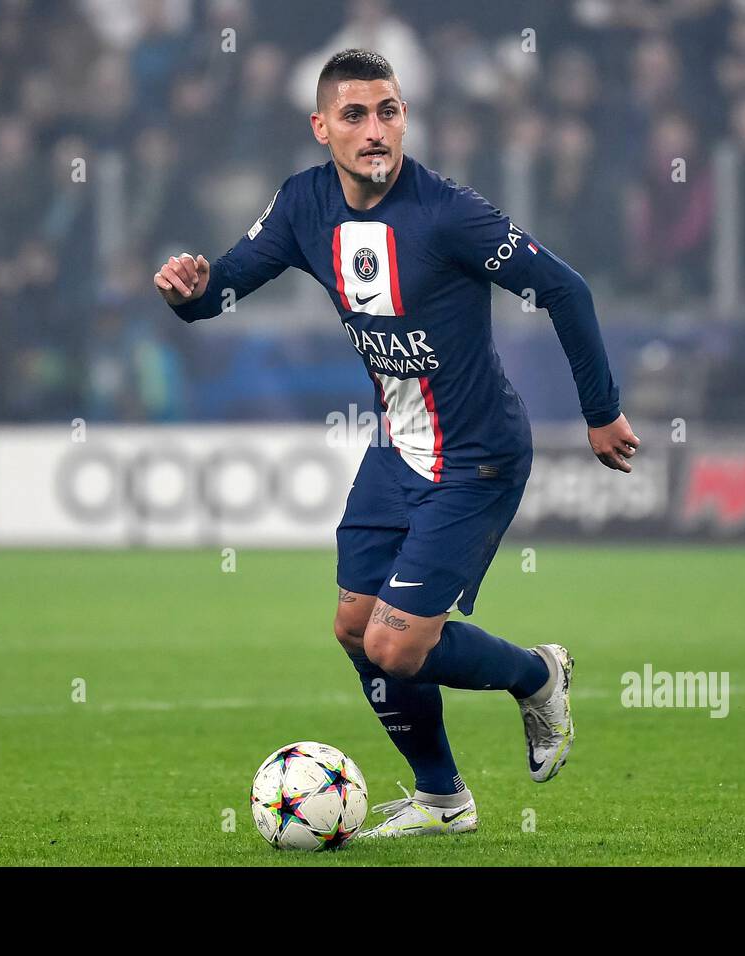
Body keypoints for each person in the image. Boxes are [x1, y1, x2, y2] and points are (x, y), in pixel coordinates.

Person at [155, 49, 638, 839]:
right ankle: (443, 799)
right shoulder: (303, 204)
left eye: (388, 111)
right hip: (397, 449)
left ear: (405, 116)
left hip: (478, 456)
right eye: (354, 115)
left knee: (394, 644)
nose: (374, 130)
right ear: (321, 128)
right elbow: (226, 286)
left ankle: (537, 675)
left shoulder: (449, 213)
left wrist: (602, 411)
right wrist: (189, 292)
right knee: (355, 631)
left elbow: (566, 289)